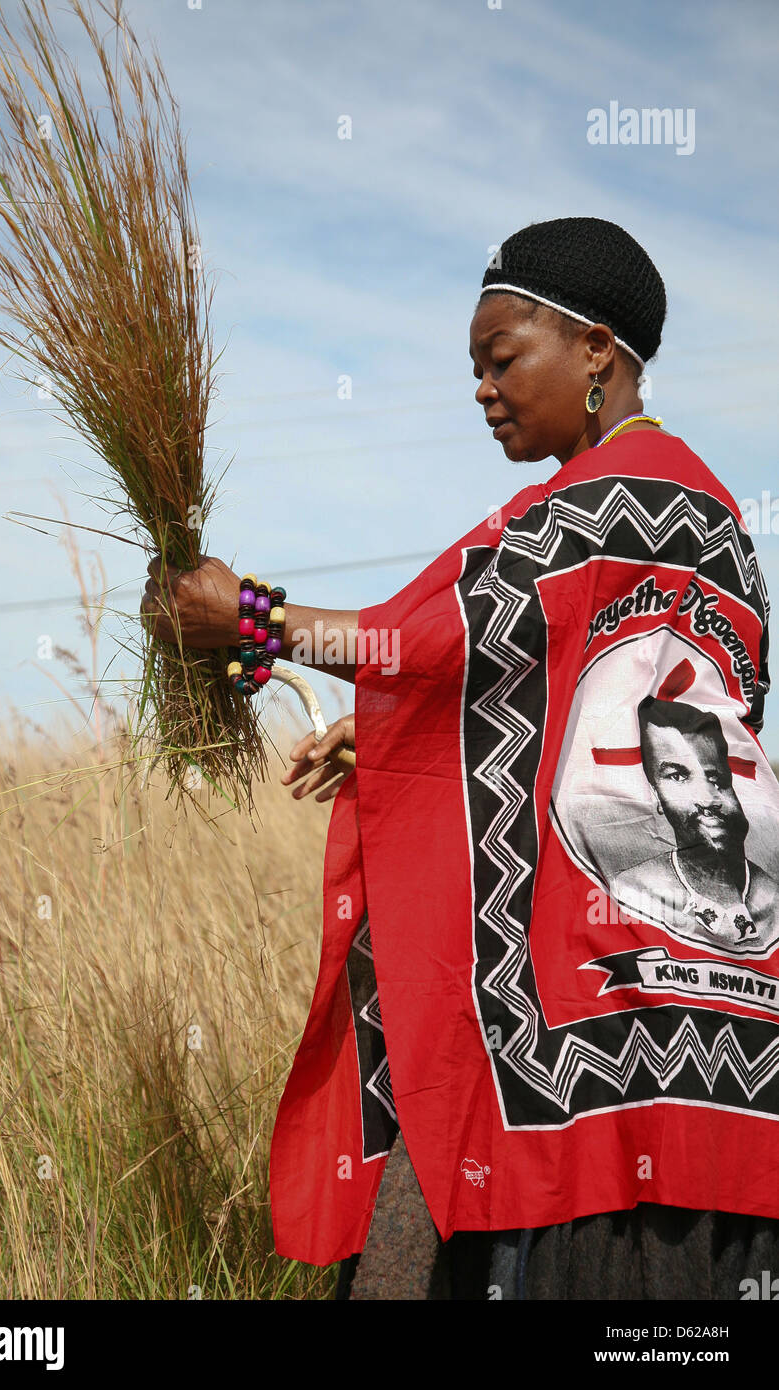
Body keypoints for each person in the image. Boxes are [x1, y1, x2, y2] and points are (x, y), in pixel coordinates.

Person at [142, 217, 779, 1300]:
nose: (481, 390)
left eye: (499, 358)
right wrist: (420, 734)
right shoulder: (716, 522)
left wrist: (247, 617)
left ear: (593, 348)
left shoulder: (591, 509)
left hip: (577, 1012)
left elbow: (421, 639)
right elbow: (575, 698)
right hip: (726, 1012)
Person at [610, 696, 779, 953]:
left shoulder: (773, 899)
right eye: (677, 776)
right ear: (655, 794)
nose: (707, 799)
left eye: (715, 778)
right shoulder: (629, 892)